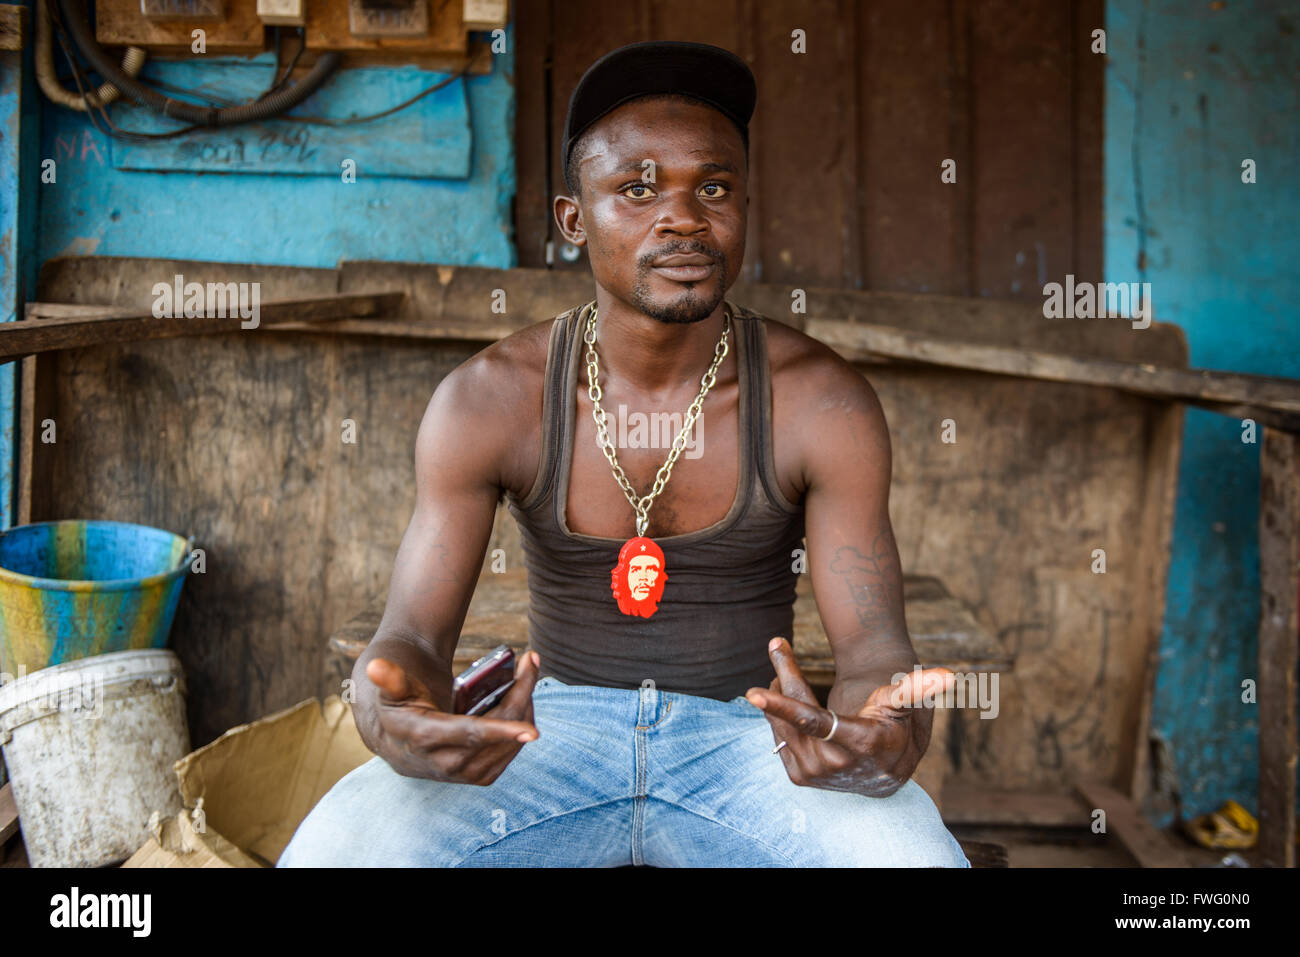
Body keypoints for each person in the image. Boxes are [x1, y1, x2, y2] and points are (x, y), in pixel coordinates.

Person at [279, 40, 970, 868]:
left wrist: (877, 728)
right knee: (337, 851)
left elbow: (873, 657)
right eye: (637, 189)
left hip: (752, 744)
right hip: (546, 733)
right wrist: (387, 709)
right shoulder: (488, 398)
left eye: (712, 187)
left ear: (744, 205)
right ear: (574, 219)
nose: (682, 217)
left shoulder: (822, 402)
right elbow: (411, 644)